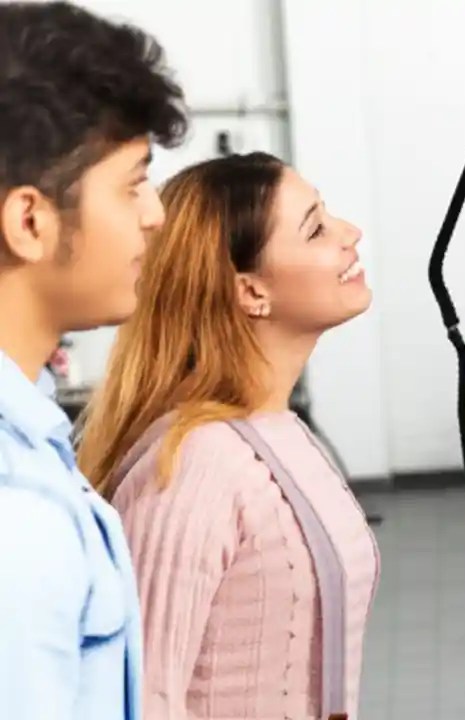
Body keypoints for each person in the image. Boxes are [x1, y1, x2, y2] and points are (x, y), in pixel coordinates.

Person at [76, 152, 379, 720]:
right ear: (249, 291)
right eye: (315, 228)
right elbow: (146, 697)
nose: (350, 234)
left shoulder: (277, 432)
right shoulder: (196, 464)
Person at [0, 3, 187, 718]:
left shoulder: (34, 442)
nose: (155, 214)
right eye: (133, 182)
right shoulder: (17, 514)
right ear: (30, 221)